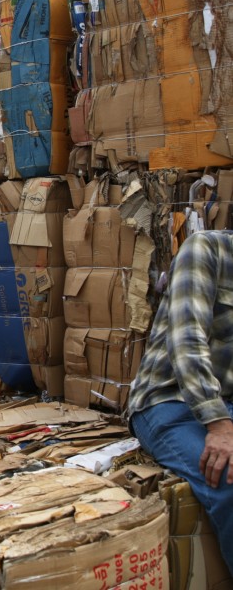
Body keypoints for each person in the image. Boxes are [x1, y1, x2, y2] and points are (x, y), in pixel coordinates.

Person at [127, 231, 233, 575]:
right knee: (228, 480)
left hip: (225, 403)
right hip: (169, 399)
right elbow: (187, 341)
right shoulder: (206, 248)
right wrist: (219, 425)